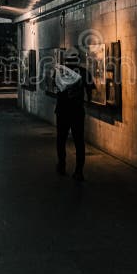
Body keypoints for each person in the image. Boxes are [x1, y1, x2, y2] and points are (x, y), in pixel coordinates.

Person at [55, 50, 93, 181]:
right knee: (79, 142)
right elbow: (90, 93)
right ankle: (79, 171)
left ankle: (61, 165)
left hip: (62, 111)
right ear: (77, 59)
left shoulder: (59, 72)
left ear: (65, 60)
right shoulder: (84, 72)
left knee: (61, 139)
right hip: (77, 112)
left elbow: (55, 87)